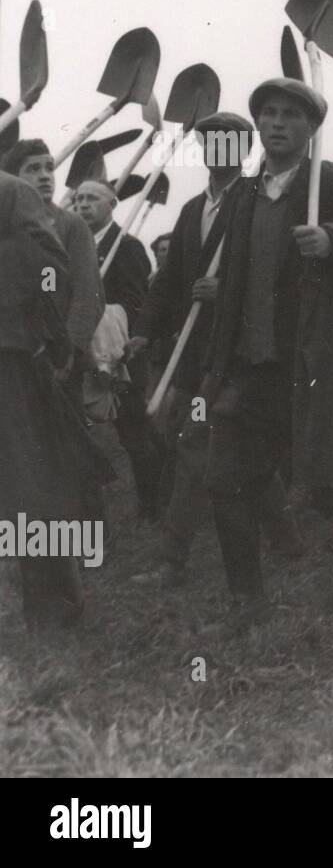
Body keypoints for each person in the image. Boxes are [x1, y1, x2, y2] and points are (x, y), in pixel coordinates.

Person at [202, 77, 333, 632]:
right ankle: (248, 601)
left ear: (311, 129)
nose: (278, 122)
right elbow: (237, 276)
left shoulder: (328, 185)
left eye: (291, 114)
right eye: (269, 113)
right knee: (225, 482)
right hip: (251, 368)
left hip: (311, 369)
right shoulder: (243, 194)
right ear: (258, 124)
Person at [124, 112, 299, 588]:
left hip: (236, 352)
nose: (217, 150)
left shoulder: (256, 201)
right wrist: (143, 330)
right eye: (210, 142)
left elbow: (271, 277)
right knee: (234, 451)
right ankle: (287, 538)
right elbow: (168, 284)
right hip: (191, 350)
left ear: (245, 150)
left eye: (229, 142)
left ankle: (170, 558)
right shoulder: (189, 211)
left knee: (196, 446)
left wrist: (226, 290)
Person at [0, 170, 108, 627]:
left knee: (29, 482)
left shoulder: (10, 192)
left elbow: (50, 269)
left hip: (10, 356)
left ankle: (57, 606)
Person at [74, 178, 166, 519]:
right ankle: (171, 477)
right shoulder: (74, 246)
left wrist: (106, 316)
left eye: (92, 199)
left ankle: (152, 507)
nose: (83, 204)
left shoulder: (125, 245)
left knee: (132, 429)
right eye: (79, 198)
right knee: (135, 426)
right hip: (90, 351)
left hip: (121, 349)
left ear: (111, 205)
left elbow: (137, 300)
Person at [2, 139, 105, 418]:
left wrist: (68, 353)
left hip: (57, 357)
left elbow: (87, 295)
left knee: (65, 443)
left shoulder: (71, 225)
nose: (45, 175)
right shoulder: (8, 225)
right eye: (33, 169)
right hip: (15, 353)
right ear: (14, 179)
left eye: (49, 167)